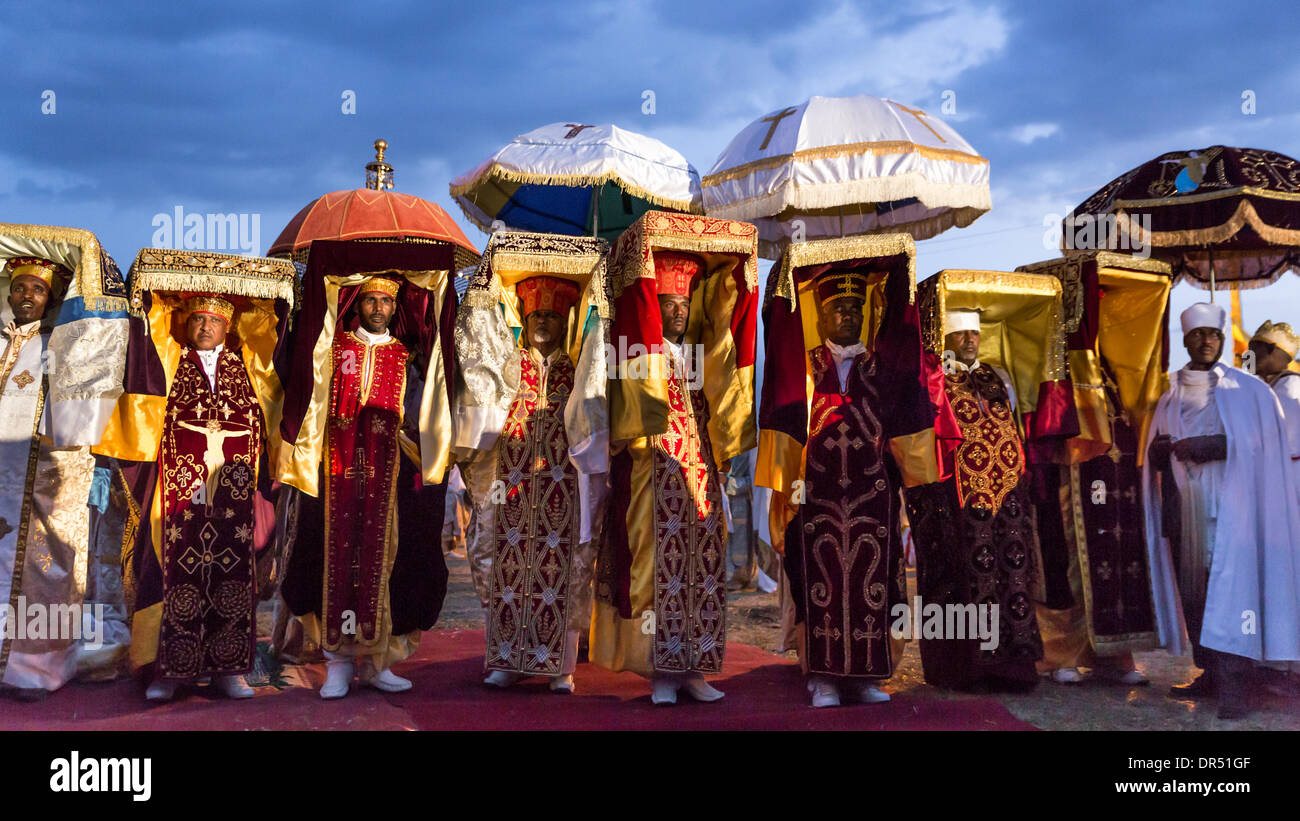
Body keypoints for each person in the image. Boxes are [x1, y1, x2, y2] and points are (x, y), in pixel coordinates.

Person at [593, 213, 758, 706]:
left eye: (685, 305)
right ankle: (660, 669)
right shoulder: (636, 355)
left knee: (703, 572)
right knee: (656, 571)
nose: (680, 314)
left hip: (699, 482)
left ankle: (696, 667)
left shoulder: (697, 355)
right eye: (670, 304)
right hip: (653, 478)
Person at [762, 254, 934, 708]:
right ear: (820, 315)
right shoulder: (805, 370)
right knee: (818, 585)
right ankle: (822, 676)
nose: (848, 316)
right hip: (815, 501)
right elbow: (786, 419)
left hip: (871, 502)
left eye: (856, 309)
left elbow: (905, 421)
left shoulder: (882, 370)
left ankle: (866, 675)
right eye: (838, 308)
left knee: (873, 584)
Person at [1145, 303, 1300, 719]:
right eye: (1198, 334)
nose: (1207, 340)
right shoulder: (1170, 393)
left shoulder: (1248, 391)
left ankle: (1238, 683)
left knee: (1233, 592)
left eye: (1214, 334)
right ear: (1186, 340)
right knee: (1194, 593)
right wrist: (1159, 453)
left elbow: (1267, 447)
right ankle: (1210, 673)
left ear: (1222, 339)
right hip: (1185, 506)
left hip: (1236, 510)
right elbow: (1154, 453)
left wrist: (1215, 444)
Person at [904, 308, 1045, 692]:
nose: (969, 341)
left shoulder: (996, 377)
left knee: (1013, 576)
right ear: (946, 340)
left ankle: (1015, 667)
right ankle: (972, 670)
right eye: (960, 335)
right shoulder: (937, 379)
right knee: (968, 578)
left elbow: (1012, 424)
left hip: (1008, 497)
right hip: (960, 497)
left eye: (974, 335)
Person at [134, 295, 267, 701]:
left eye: (214, 320)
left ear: (228, 327)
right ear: (187, 325)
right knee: (175, 572)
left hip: (233, 493)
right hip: (180, 493)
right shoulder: (172, 363)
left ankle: (229, 671)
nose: (205, 327)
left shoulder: (245, 368)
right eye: (198, 320)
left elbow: (262, 417)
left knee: (232, 572)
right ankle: (171, 672)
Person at [0, 256, 99, 697]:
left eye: (37, 290)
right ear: (8, 294)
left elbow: (74, 420)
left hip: (32, 481)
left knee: (38, 570)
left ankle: (30, 671)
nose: (27, 296)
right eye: (20, 288)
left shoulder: (56, 348)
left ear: (49, 299)